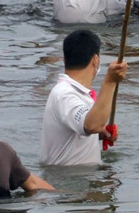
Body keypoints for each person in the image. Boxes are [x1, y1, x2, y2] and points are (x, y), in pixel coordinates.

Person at [40, 29, 127, 165]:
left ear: (64, 60)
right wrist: (110, 81)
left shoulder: (77, 93)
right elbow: (91, 125)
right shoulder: (65, 94)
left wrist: (100, 133)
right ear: (95, 60)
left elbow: (87, 126)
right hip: (68, 181)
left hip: (81, 177)